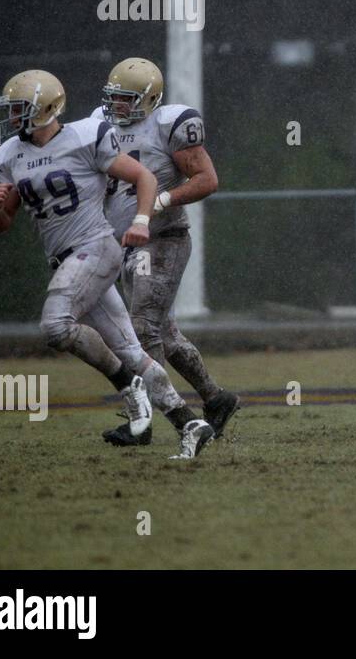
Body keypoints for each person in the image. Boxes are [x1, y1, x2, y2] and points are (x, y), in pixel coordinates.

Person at [0, 70, 214, 458]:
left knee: (56, 325)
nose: (11, 118)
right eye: (9, 110)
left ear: (45, 109)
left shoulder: (85, 135)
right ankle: (190, 422)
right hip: (66, 261)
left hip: (95, 248)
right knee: (131, 349)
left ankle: (129, 389)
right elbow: (1, 224)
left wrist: (143, 219)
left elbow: (144, 177)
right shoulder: (10, 154)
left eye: (19, 109)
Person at [94, 57, 240, 444]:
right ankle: (216, 398)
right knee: (165, 333)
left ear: (149, 98)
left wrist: (157, 203)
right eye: (115, 98)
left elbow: (207, 179)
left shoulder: (168, 124)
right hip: (126, 243)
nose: (118, 106)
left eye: (127, 99)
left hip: (164, 238)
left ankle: (153, 420)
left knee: (139, 329)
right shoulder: (99, 124)